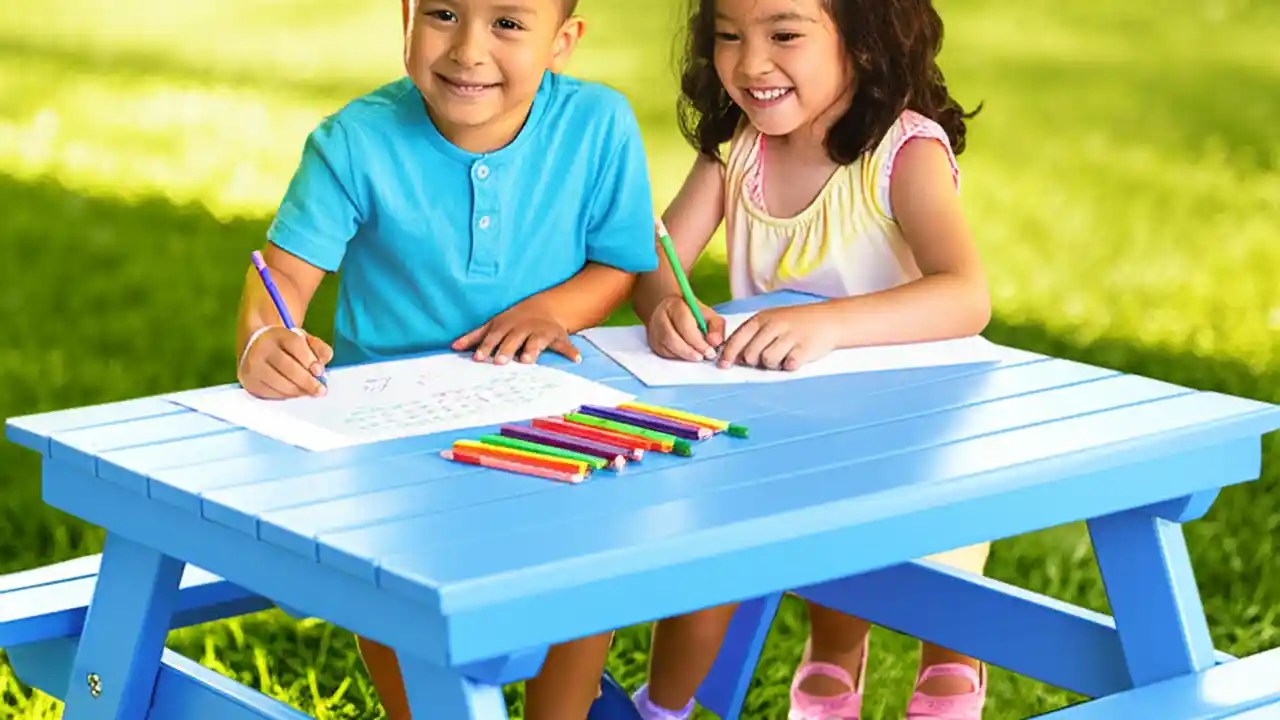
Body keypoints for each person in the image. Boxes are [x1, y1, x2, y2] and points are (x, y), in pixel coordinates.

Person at [234, 1, 657, 717]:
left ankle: (565, 707)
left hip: (545, 405)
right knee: (394, 575)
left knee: (591, 545)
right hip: (388, 430)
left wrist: (554, 311)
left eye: (508, 24)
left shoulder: (598, 125)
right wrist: (263, 337)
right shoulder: (354, 142)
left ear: (563, 42)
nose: (467, 49)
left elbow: (617, 263)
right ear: (405, 15)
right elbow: (282, 280)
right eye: (443, 13)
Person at [629, 0, 992, 717]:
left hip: (919, 435)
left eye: (784, 34)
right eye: (728, 36)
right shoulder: (735, 151)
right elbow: (658, 260)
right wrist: (666, 302)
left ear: (863, 39)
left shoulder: (903, 152)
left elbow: (966, 294)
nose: (750, 61)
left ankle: (954, 661)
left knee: (936, 580)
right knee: (824, 579)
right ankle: (831, 655)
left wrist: (828, 323)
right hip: (793, 433)